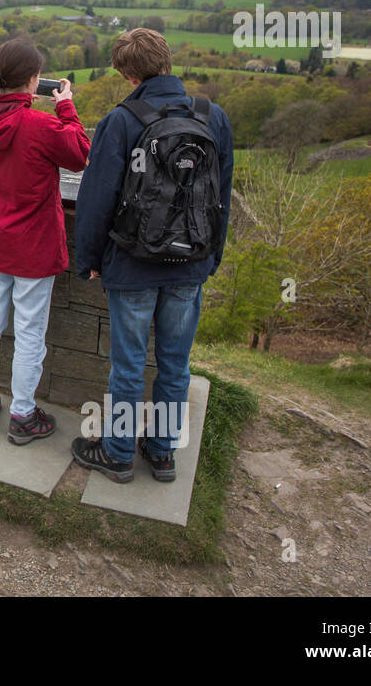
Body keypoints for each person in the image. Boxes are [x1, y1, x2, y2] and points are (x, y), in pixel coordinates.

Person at [72, 28, 233, 482]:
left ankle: (119, 454)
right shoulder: (212, 116)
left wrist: (88, 258)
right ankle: (162, 453)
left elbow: (96, 198)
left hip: (133, 263)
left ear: (126, 73)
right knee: (176, 365)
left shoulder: (122, 121)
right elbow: (223, 194)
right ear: (166, 60)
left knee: (127, 367)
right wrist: (212, 255)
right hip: (190, 263)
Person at [0, 37, 91, 445]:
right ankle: (22, 414)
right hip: (32, 246)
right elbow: (80, 154)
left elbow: (10, 133)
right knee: (30, 331)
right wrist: (65, 106)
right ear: (34, 81)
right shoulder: (38, 125)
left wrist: (29, 102)